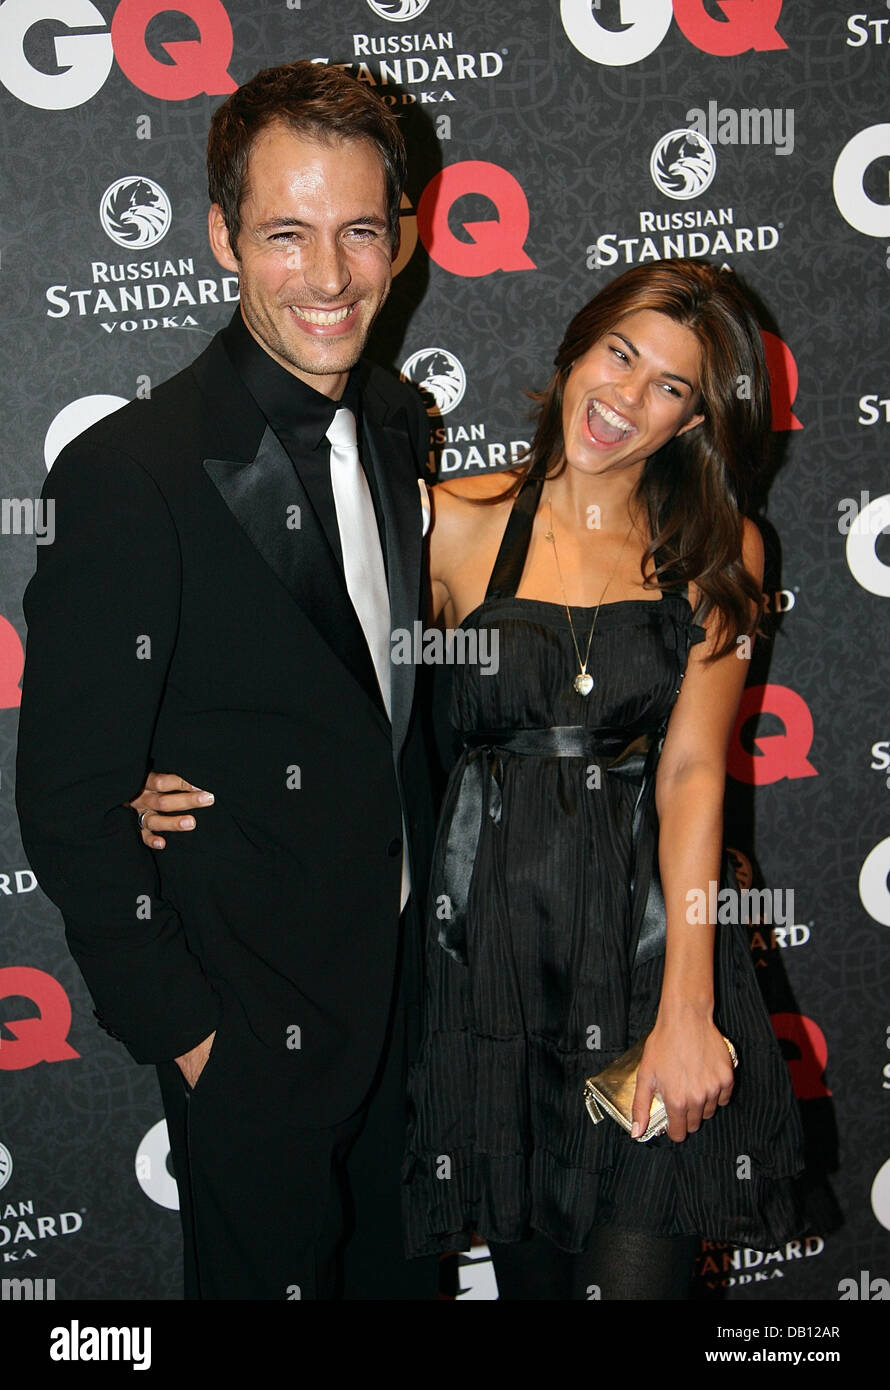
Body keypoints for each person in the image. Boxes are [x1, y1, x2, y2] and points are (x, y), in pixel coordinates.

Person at [138, 259, 806, 1300]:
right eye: (619, 355)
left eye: (668, 386)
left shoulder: (721, 549)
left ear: (690, 420)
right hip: (488, 962)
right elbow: (307, 679)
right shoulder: (448, 522)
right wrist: (162, 766)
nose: (626, 399)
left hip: (641, 959)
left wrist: (685, 1006)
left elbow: (688, 774)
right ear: (575, 349)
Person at [15, 61, 437, 1301]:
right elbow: (70, 800)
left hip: (416, 1008)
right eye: (286, 233)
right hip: (254, 1027)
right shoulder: (129, 472)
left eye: (360, 230)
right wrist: (194, 1040)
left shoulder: (403, 422)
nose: (328, 275)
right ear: (220, 238)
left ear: (400, 237)